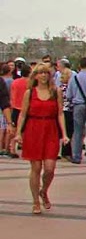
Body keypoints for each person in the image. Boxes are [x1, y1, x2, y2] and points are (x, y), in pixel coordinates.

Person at [10, 62, 68, 214]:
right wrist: (18, 133)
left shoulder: (56, 92)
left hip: (50, 129)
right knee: (36, 168)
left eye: (46, 73)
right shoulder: (30, 93)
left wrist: (64, 133)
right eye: (40, 73)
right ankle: (36, 200)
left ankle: (44, 190)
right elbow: (23, 114)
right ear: (35, 76)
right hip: (33, 129)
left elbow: (60, 113)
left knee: (50, 168)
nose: (43, 75)